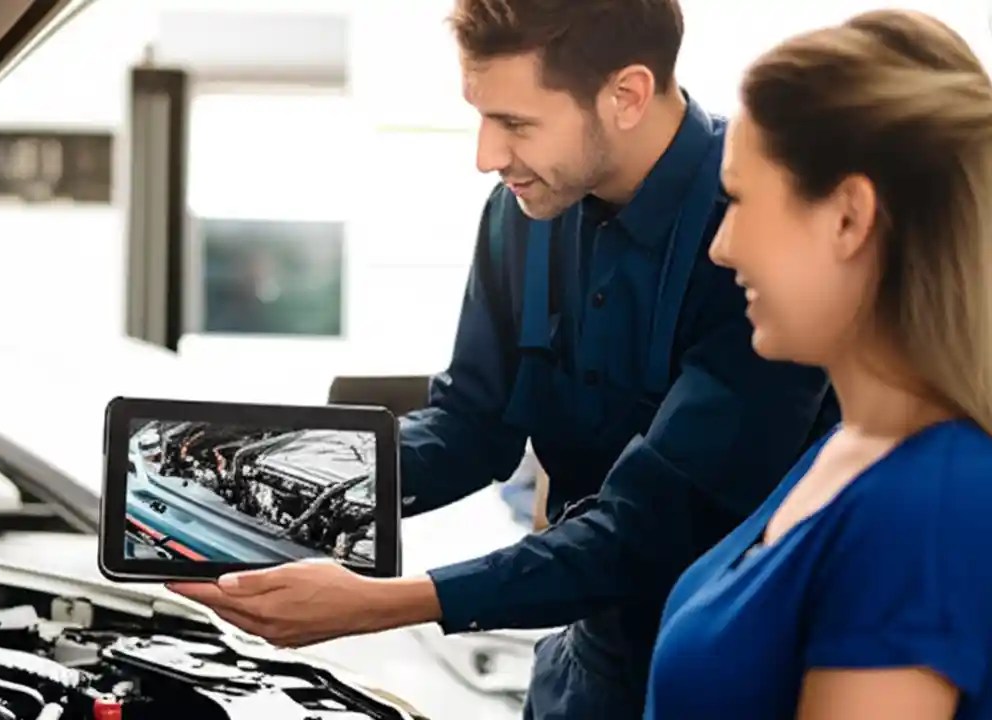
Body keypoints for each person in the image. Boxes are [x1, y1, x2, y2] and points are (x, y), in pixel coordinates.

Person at [170, 1, 836, 717]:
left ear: (627, 95)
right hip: (589, 669)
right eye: (481, 116)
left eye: (516, 124)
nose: (486, 155)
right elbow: (471, 425)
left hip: (742, 680)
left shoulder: (758, 232)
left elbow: (654, 525)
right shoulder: (521, 212)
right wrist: (264, 462)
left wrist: (392, 603)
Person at [644, 10, 992, 720]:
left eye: (739, 201)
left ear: (847, 218)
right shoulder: (852, 449)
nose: (722, 247)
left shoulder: (927, 502)